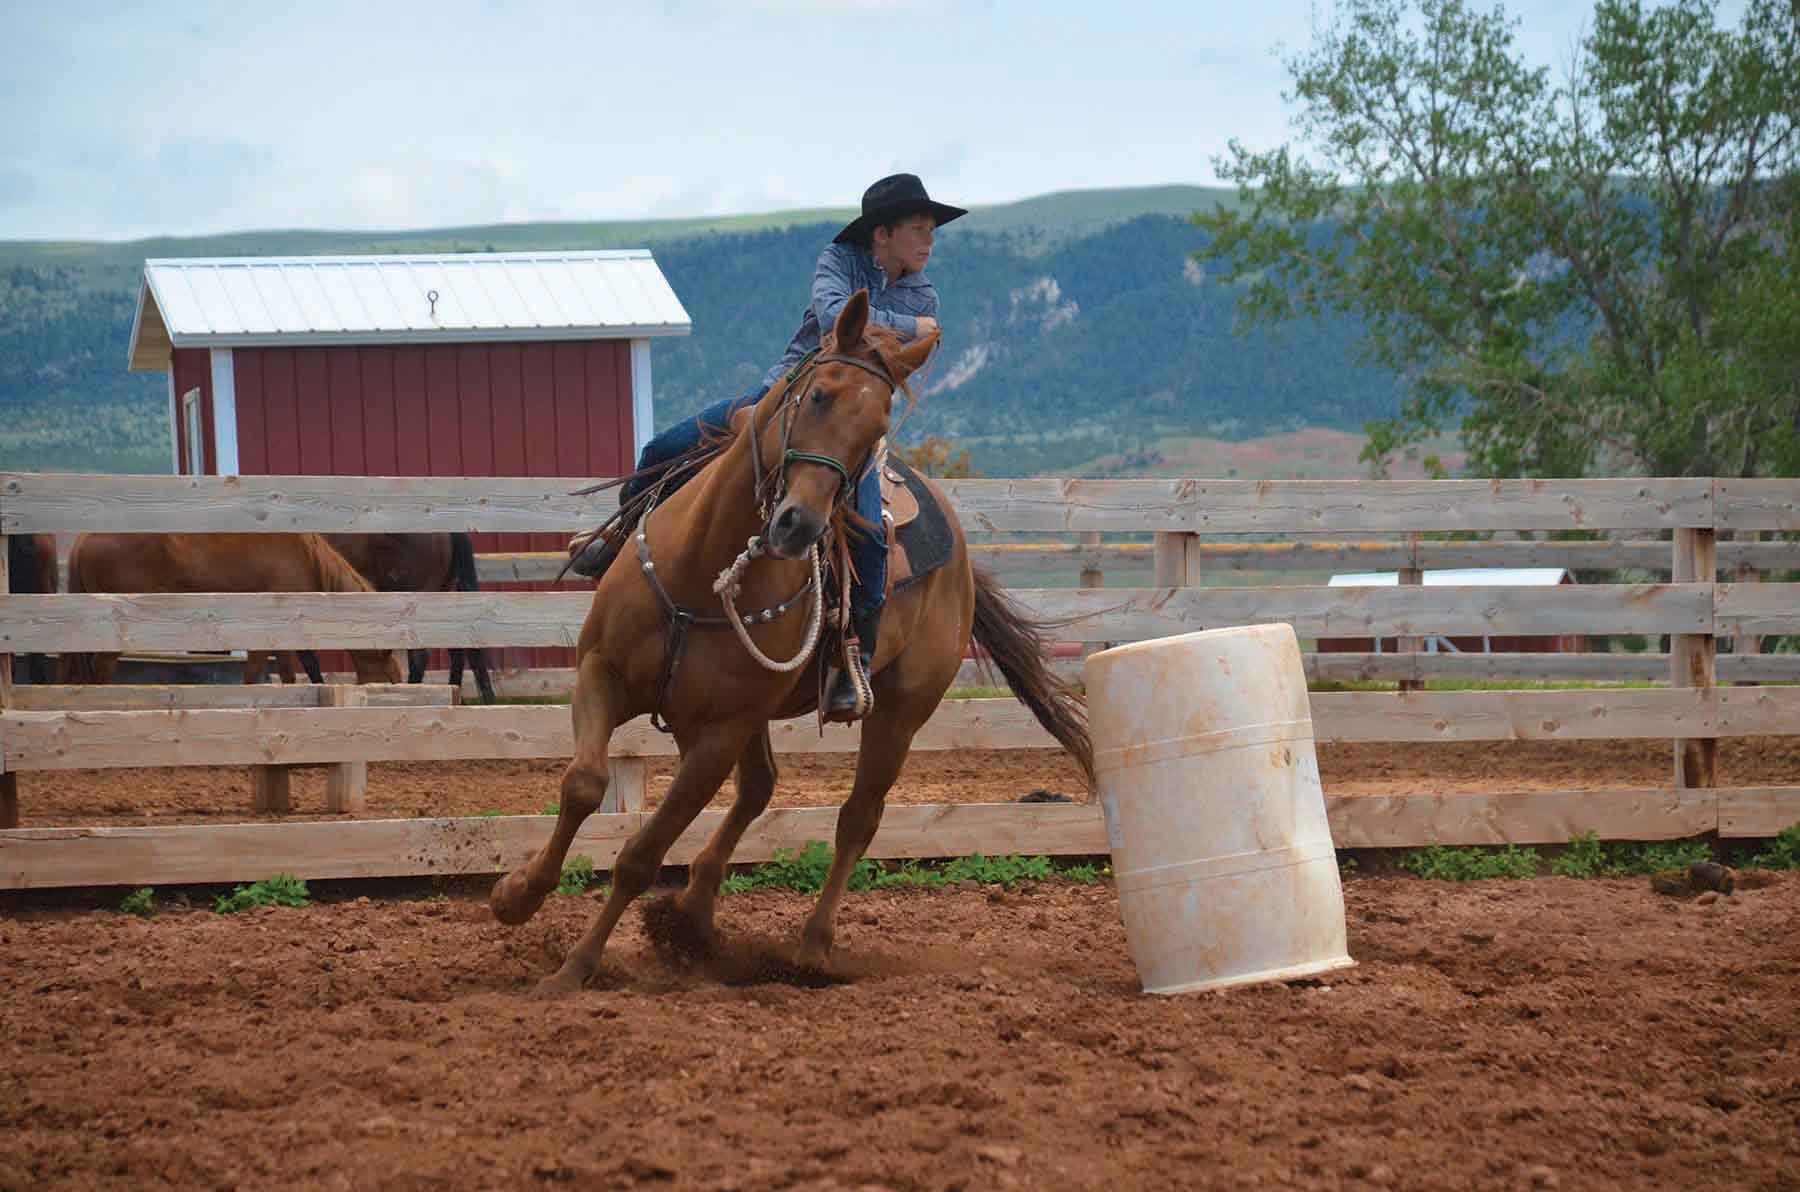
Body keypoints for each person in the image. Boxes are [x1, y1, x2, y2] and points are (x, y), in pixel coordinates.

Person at [569, 173, 964, 722]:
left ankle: (852, 656)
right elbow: (837, 319)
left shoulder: (924, 289)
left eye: (930, 231)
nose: (929, 241)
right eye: (919, 229)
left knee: (871, 537)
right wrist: (907, 324)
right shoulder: (839, 259)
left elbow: (916, 336)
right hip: (788, 393)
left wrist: (910, 327)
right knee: (665, 448)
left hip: (850, 425)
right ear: (883, 234)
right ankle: (617, 541)